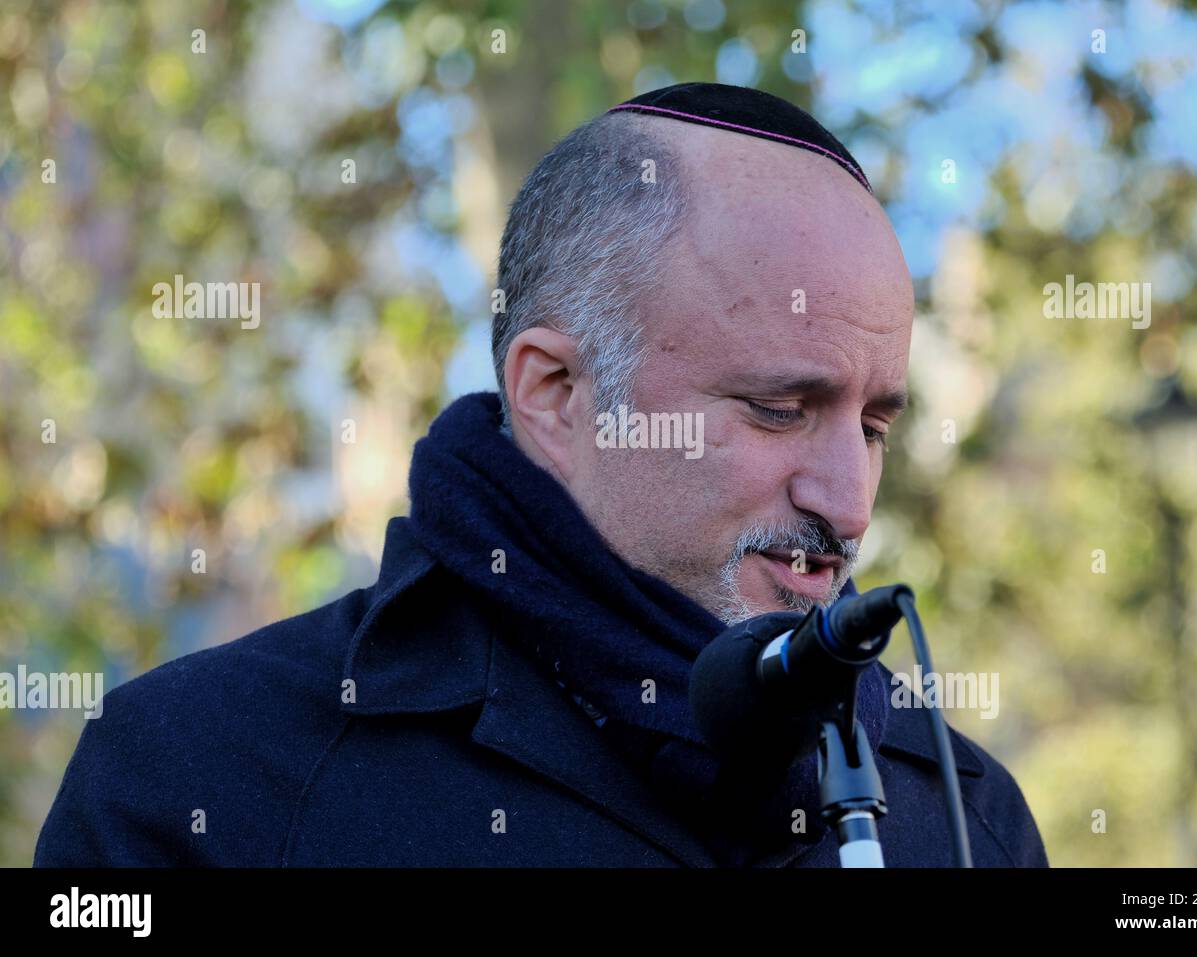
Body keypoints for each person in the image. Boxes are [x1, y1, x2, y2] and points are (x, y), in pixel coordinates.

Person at [35, 83, 1048, 867]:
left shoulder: (966, 815)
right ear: (558, 392)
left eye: (874, 425)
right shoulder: (203, 774)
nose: (849, 501)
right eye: (779, 409)